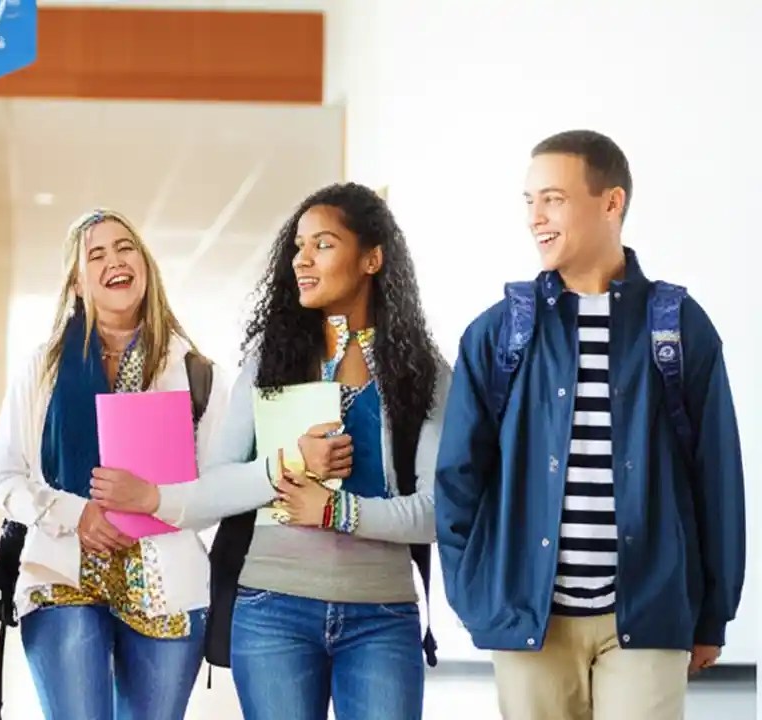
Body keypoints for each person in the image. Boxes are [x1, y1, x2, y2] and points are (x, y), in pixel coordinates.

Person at [90, 183, 449, 720]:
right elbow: (217, 483)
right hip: (271, 611)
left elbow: (436, 513)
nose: (301, 260)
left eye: (322, 245)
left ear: (372, 258)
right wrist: (288, 466)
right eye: (298, 246)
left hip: (382, 616)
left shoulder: (426, 374)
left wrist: (337, 511)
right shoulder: (269, 361)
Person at [434, 130, 746, 720]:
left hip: (648, 614)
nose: (535, 217)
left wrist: (712, 613)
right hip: (530, 622)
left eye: (552, 198)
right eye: (528, 201)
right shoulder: (499, 333)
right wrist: (477, 597)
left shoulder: (679, 327)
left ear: (611, 202)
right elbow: (456, 483)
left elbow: (718, 481)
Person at [0, 208, 232, 720]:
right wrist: (76, 513)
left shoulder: (194, 372)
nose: (115, 261)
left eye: (125, 248)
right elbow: (4, 474)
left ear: (145, 264)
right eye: (95, 254)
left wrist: (155, 499)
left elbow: (219, 492)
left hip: (166, 588)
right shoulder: (44, 366)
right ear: (77, 283)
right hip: (62, 572)